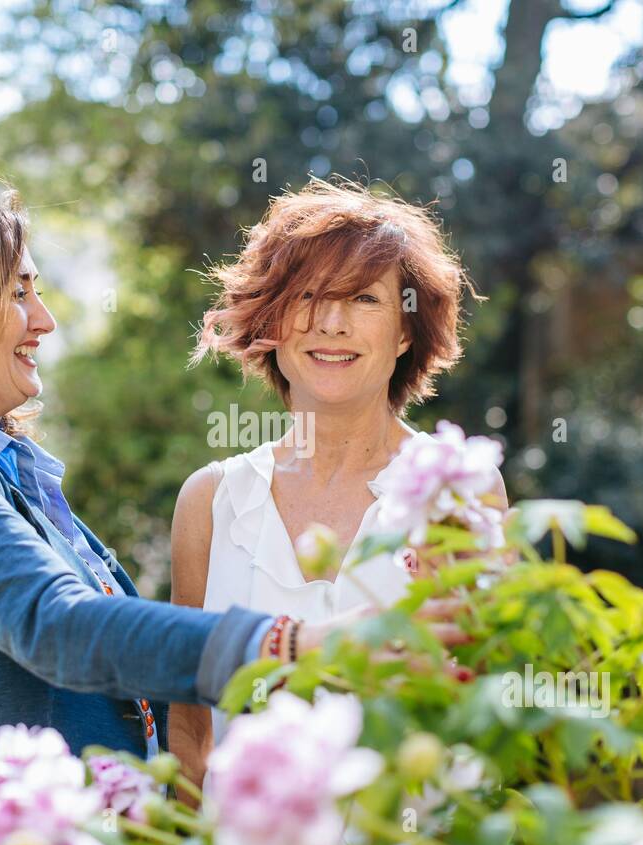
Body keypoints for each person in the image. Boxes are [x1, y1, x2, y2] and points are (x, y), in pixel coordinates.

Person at [0, 182, 469, 770]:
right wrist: (300, 640)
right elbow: (62, 629)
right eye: (18, 293)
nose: (45, 321)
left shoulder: (2, 470)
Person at [169, 179, 507, 788]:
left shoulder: (461, 491)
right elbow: (191, 729)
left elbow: (484, 704)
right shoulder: (210, 502)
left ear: (406, 333)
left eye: (363, 300)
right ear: (272, 320)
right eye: (306, 296)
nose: (331, 323)